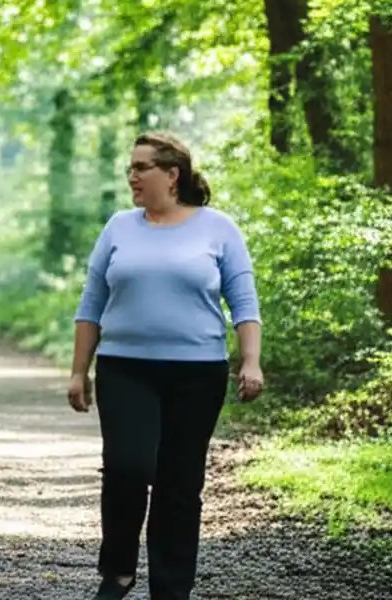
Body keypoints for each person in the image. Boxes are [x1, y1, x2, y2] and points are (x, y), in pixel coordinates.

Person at [68, 131, 265, 600]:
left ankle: (171, 589)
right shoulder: (119, 227)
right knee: (127, 468)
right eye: (130, 168)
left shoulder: (217, 229)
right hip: (124, 368)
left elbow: (243, 300)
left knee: (180, 483)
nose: (131, 176)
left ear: (171, 175)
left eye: (141, 168)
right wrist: (79, 370)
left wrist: (251, 360)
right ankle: (117, 570)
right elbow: (91, 303)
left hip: (197, 373)